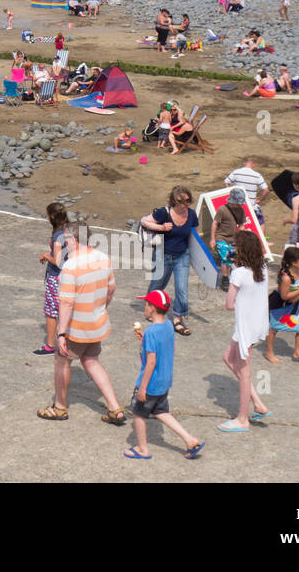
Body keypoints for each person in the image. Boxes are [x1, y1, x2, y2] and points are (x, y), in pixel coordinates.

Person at [38, 222, 126, 425]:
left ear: (73, 240)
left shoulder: (71, 267)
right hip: (98, 322)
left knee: (62, 361)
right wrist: (101, 308)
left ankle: (59, 407)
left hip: (77, 328)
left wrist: (60, 334)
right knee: (91, 361)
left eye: (65, 239)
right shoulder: (103, 258)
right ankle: (114, 408)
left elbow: (66, 302)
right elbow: (111, 288)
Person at [125, 290, 204, 460]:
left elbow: (151, 362)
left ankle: (142, 448)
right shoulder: (168, 325)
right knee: (160, 411)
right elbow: (167, 347)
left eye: (146, 304)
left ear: (152, 308)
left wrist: (142, 388)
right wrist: (144, 339)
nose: (144, 307)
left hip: (151, 383)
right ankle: (189, 439)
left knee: (138, 414)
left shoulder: (152, 332)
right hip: (164, 381)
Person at [218, 229, 270, 432]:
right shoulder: (263, 268)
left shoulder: (239, 273)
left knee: (244, 371)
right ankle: (258, 403)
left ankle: (242, 418)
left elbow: (229, 304)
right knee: (228, 358)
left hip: (245, 328)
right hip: (257, 325)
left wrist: (233, 272)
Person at [140, 187, 196, 335]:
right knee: (157, 285)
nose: (185, 205)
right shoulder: (164, 212)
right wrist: (162, 227)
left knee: (182, 289)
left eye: (188, 201)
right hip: (163, 254)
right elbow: (145, 222)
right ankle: (151, 309)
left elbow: (195, 235)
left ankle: (178, 318)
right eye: (182, 202)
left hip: (182, 255)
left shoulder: (191, 214)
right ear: (174, 201)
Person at [264, 247, 299, 364]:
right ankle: (269, 352)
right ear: (294, 263)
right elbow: (284, 296)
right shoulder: (286, 277)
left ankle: (298, 352)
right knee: (273, 329)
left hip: (295, 303)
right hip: (280, 304)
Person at [34, 202, 69, 354]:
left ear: (53, 217)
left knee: (52, 311)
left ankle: (50, 345)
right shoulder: (70, 230)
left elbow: (58, 260)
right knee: (67, 309)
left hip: (56, 278)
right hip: (69, 276)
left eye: (48, 215)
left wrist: (46, 256)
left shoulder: (58, 235)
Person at [212, 188, 252, 287]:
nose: (240, 205)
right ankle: (225, 279)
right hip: (221, 238)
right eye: (238, 203)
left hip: (233, 239)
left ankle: (227, 276)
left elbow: (241, 225)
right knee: (227, 258)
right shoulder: (222, 209)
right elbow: (215, 223)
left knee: (232, 258)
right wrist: (213, 238)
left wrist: (242, 240)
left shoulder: (241, 210)